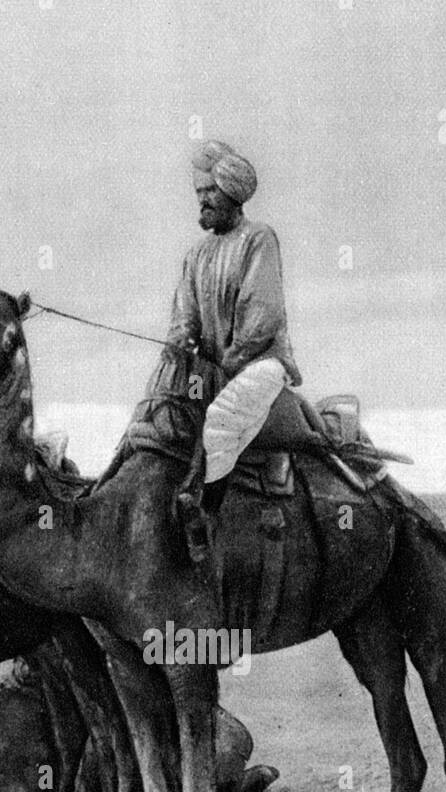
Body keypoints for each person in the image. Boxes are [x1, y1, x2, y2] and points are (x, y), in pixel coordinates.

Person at [166, 140, 301, 517]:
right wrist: (175, 350)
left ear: (232, 191)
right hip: (213, 371)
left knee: (219, 421)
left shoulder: (259, 239)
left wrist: (227, 362)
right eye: (199, 192)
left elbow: (263, 316)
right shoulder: (196, 255)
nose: (202, 200)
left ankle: (207, 517)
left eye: (209, 190)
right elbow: (184, 319)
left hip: (260, 365)